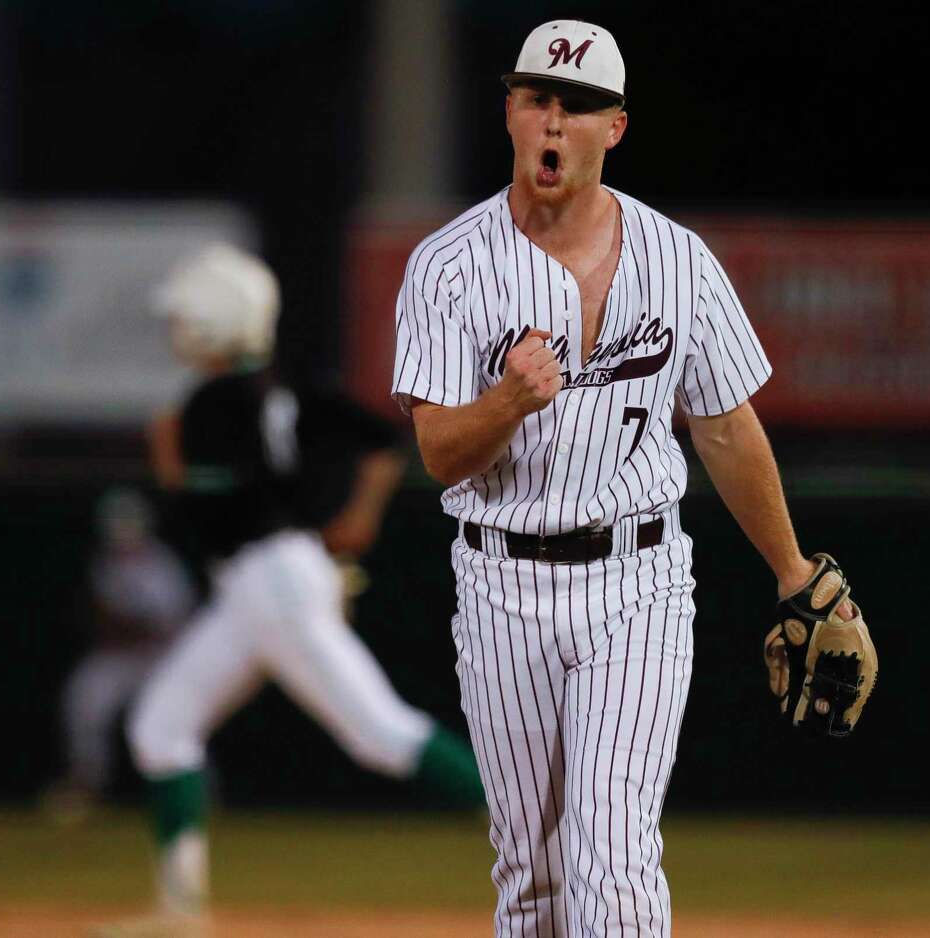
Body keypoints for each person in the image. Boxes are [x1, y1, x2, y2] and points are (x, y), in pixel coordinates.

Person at [392, 19, 862, 937]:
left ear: (616, 128)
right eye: (538, 101)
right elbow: (440, 451)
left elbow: (725, 427)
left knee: (609, 855)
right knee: (530, 874)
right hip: (500, 580)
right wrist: (506, 404)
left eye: (578, 107)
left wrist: (794, 570)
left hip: (637, 579)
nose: (554, 124)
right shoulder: (447, 267)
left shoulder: (677, 261)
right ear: (511, 115)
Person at [112, 243, 484, 932]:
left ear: (211, 322)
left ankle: (547, 843)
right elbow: (381, 440)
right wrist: (356, 518)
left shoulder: (207, 405)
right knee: (161, 726)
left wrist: (169, 463)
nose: (176, 331)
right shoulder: (286, 385)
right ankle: (180, 909)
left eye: (185, 317)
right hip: (272, 581)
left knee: (382, 733)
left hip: (269, 582)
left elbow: (207, 512)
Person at [44, 487, 196, 824]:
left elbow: (175, 624)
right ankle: (85, 784)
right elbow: (101, 621)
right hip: (118, 660)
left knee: (181, 719)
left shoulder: (162, 565)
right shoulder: (105, 564)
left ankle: (196, 790)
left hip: (160, 660)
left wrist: (131, 626)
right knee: (84, 698)